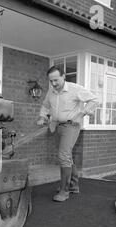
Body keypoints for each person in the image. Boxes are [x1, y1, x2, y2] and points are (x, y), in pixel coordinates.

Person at [36, 66, 98, 202]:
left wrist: (81, 113)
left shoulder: (75, 89)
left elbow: (94, 100)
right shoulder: (51, 92)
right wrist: (42, 117)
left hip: (71, 126)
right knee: (66, 156)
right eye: (51, 81)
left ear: (63, 76)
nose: (53, 84)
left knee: (63, 155)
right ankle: (73, 186)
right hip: (56, 126)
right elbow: (46, 106)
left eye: (56, 80)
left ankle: (64, 191)